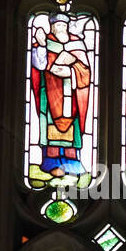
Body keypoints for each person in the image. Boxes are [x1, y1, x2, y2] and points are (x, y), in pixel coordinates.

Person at [31, 14, 93, 177]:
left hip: (72, 93)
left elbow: (85, 71)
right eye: (57, 26)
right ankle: (50, 161)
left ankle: (72, 163)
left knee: (72, 127)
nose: (60, 29)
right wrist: (43, 44)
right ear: (51, 27)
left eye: (63, 26)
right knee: (50, 126)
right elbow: (39, 64)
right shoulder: (45, 42)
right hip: (50, 92)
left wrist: (72, 70)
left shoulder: (77, 44)